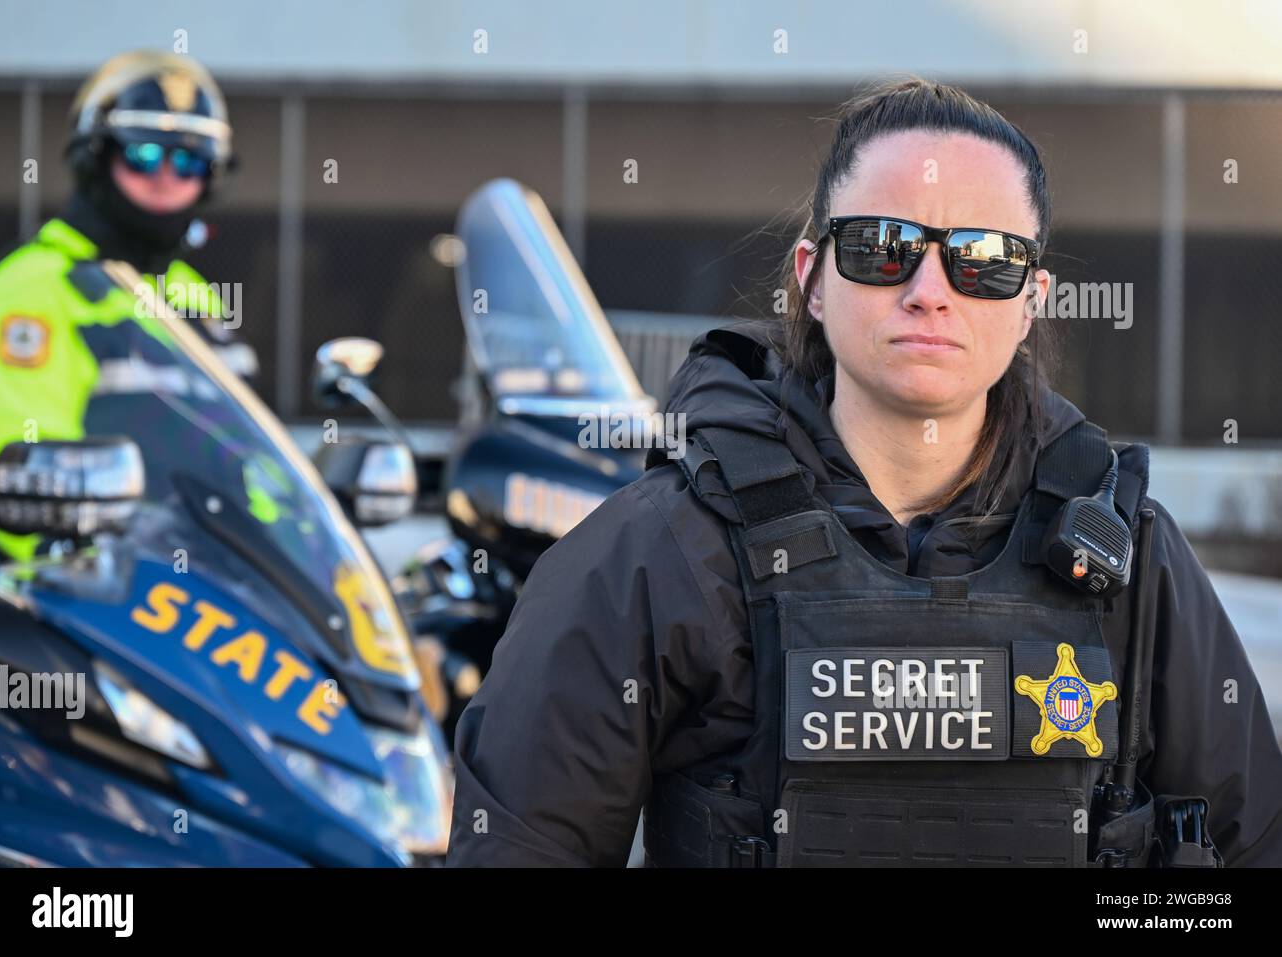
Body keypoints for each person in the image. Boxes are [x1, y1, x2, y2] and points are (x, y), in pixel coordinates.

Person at [446, 78, 1282, 868]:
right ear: (811, 279)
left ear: (1031, 298)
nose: (930, 290)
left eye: (984, 258)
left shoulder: (1125, 557)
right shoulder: (659, 551)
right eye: (884, 248)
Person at [0, 50, 249, 560]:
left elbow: (244, 462)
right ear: (95, 157)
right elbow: (20, 483)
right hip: (83, 596)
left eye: (190, 161)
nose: (166, 176)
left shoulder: (196, 297)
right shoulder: (32, 292)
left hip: (208, 592)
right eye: (144, 155)